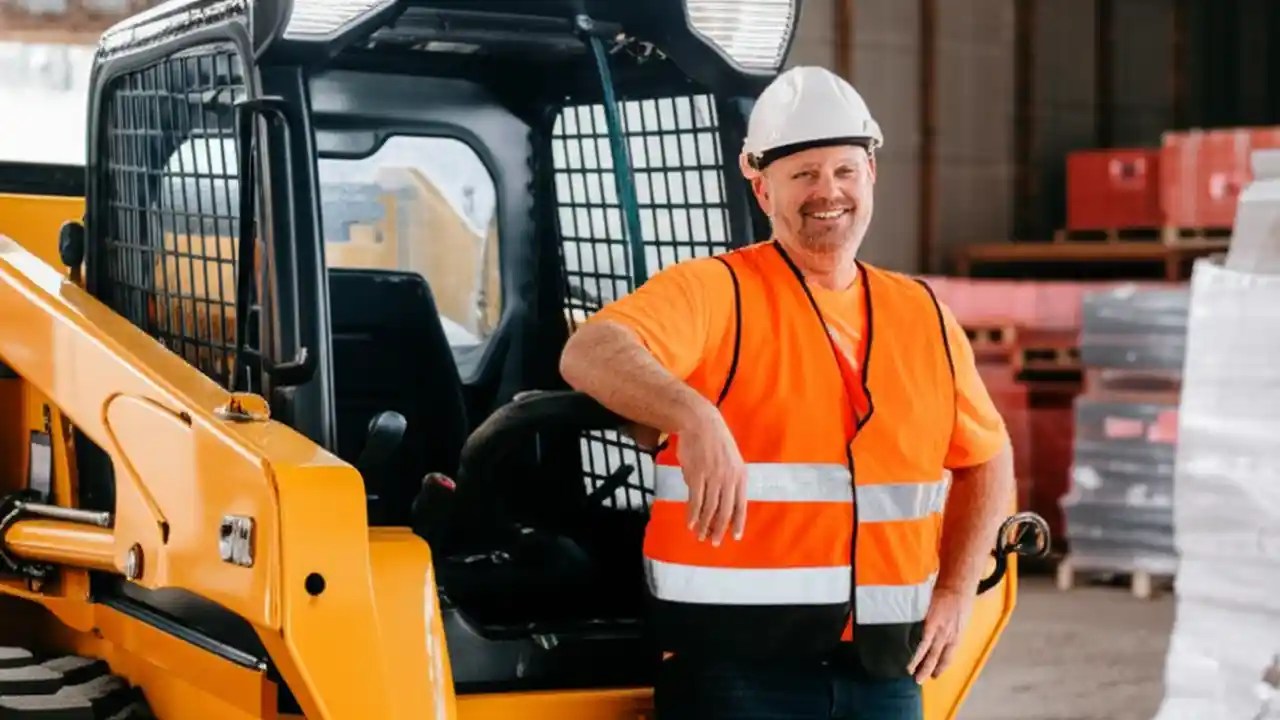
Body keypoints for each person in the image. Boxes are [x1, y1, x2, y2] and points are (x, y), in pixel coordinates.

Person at [558, 65, 1015, 720]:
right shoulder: (715, 292)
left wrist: (955, 592)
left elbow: (986, 458)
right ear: (761, 186)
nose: (826, 191)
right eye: (803, 174)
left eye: (844, 171)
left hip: (883, 672)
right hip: (736, 674)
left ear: (871, 176)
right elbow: (590, 351)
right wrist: (695, 412)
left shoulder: (922, 315)